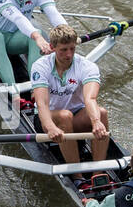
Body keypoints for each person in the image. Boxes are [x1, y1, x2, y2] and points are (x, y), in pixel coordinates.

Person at [30, 24, 110, 163]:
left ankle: (98, 173)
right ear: (52, 47)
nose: (69, 54)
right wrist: (50, 127)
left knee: (101, 113)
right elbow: (42, 104)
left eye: (72, 48)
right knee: (64, 116)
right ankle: (77, 176)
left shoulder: (87, 66)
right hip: (47, 119)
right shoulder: (40, 66)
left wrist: (96, 122)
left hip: (76, 118)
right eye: (64, 50)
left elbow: (90, 98)